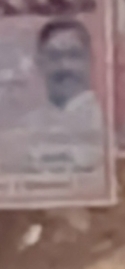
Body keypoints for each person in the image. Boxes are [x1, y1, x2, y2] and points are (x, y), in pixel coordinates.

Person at [12, 18, 104, 173]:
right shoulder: (22, 129)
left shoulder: (109, 124)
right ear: (39, 63)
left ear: (90, 60)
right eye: (54, 56)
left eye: (74, 55)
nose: (65, 66)